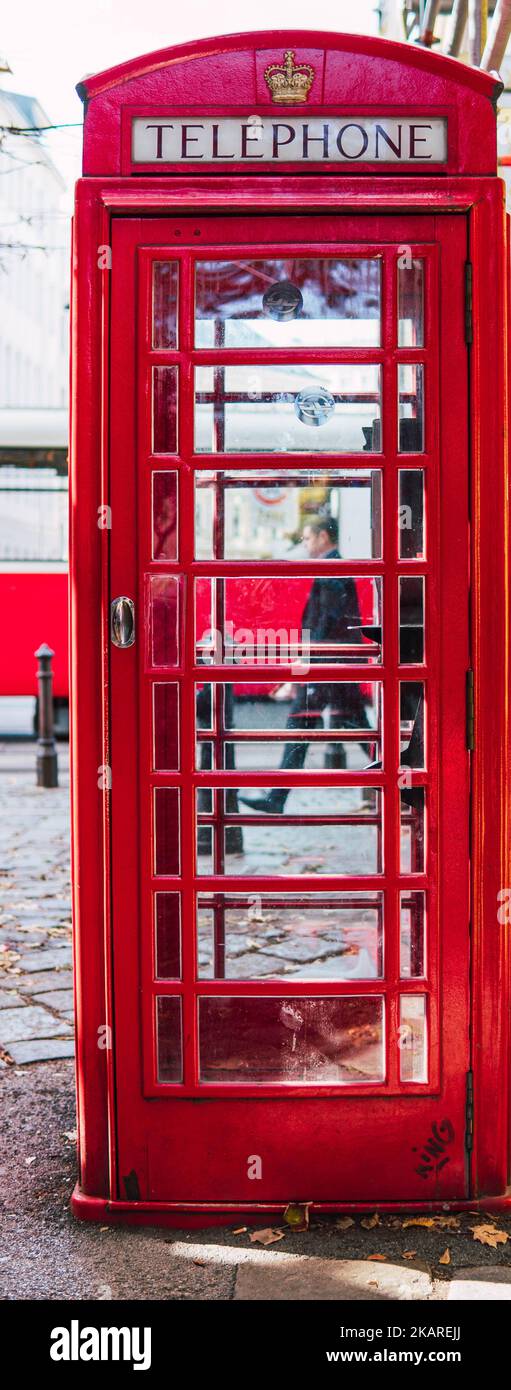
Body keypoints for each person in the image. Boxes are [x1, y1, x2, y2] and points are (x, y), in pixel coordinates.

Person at [238, 514, 374, 814]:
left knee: (301, 723)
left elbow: (329, 619)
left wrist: (307, 657)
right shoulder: (333, 567)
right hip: (337, 664)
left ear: (324, 537)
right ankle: (403, 774)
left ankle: (277, 798)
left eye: (309, 537)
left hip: (327, 664)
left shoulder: (332, 568)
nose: (306, 543)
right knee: (358, 727)